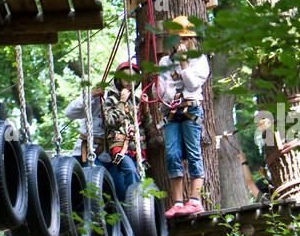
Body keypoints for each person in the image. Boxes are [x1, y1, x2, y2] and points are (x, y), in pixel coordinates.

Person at [157, 16, 211, 218]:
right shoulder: (165, 62)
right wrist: (159, 92)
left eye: (185, 39)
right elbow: (161, 92)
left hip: (191, 111)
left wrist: (184, 64)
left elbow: (192, 86)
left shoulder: (200, 60)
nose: (182, 43)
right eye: (178, 39)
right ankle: (178, 202)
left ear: (192, 40)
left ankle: (195, 201)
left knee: (194, 152)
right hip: (171, 113)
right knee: (172, 155)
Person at [65, 61, 142, 200]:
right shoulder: (100, 99)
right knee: (102, 184)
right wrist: (91, 95)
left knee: (120, 191)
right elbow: (69, 112)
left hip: (112, 155)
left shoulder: (133, 104)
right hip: (90, 151)